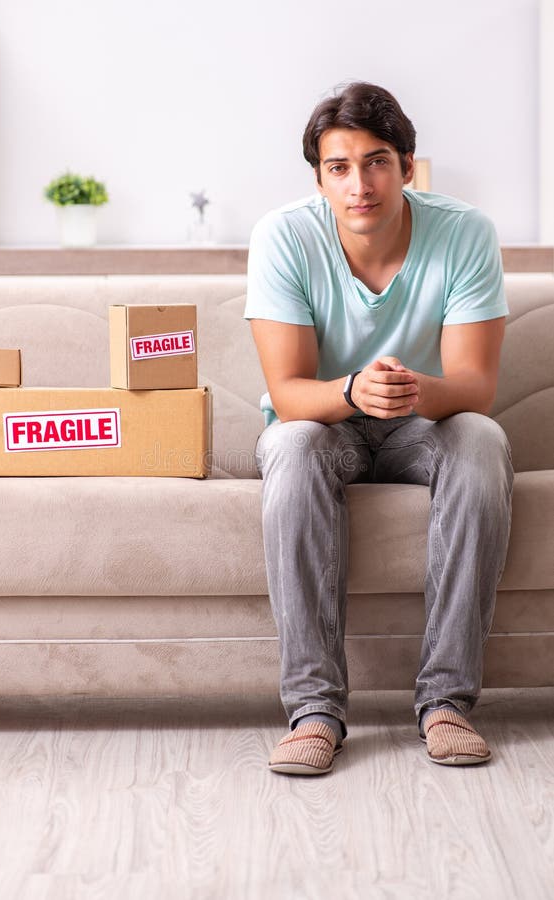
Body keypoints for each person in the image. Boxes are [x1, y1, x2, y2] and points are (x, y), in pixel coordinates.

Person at [244, 81, 514, 775]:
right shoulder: (284, 235)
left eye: (375, 162)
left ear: (406, 165)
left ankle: (446, 702)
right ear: (318, 177)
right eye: (339, 167)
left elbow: (474, 388)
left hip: (423, 420)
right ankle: (313, 711)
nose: (358, 183)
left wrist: (408, 389)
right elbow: (288, 392)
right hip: (323, 423)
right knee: (292, 444)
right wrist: (352, 389)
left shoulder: (463, 232)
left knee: (481, 440)